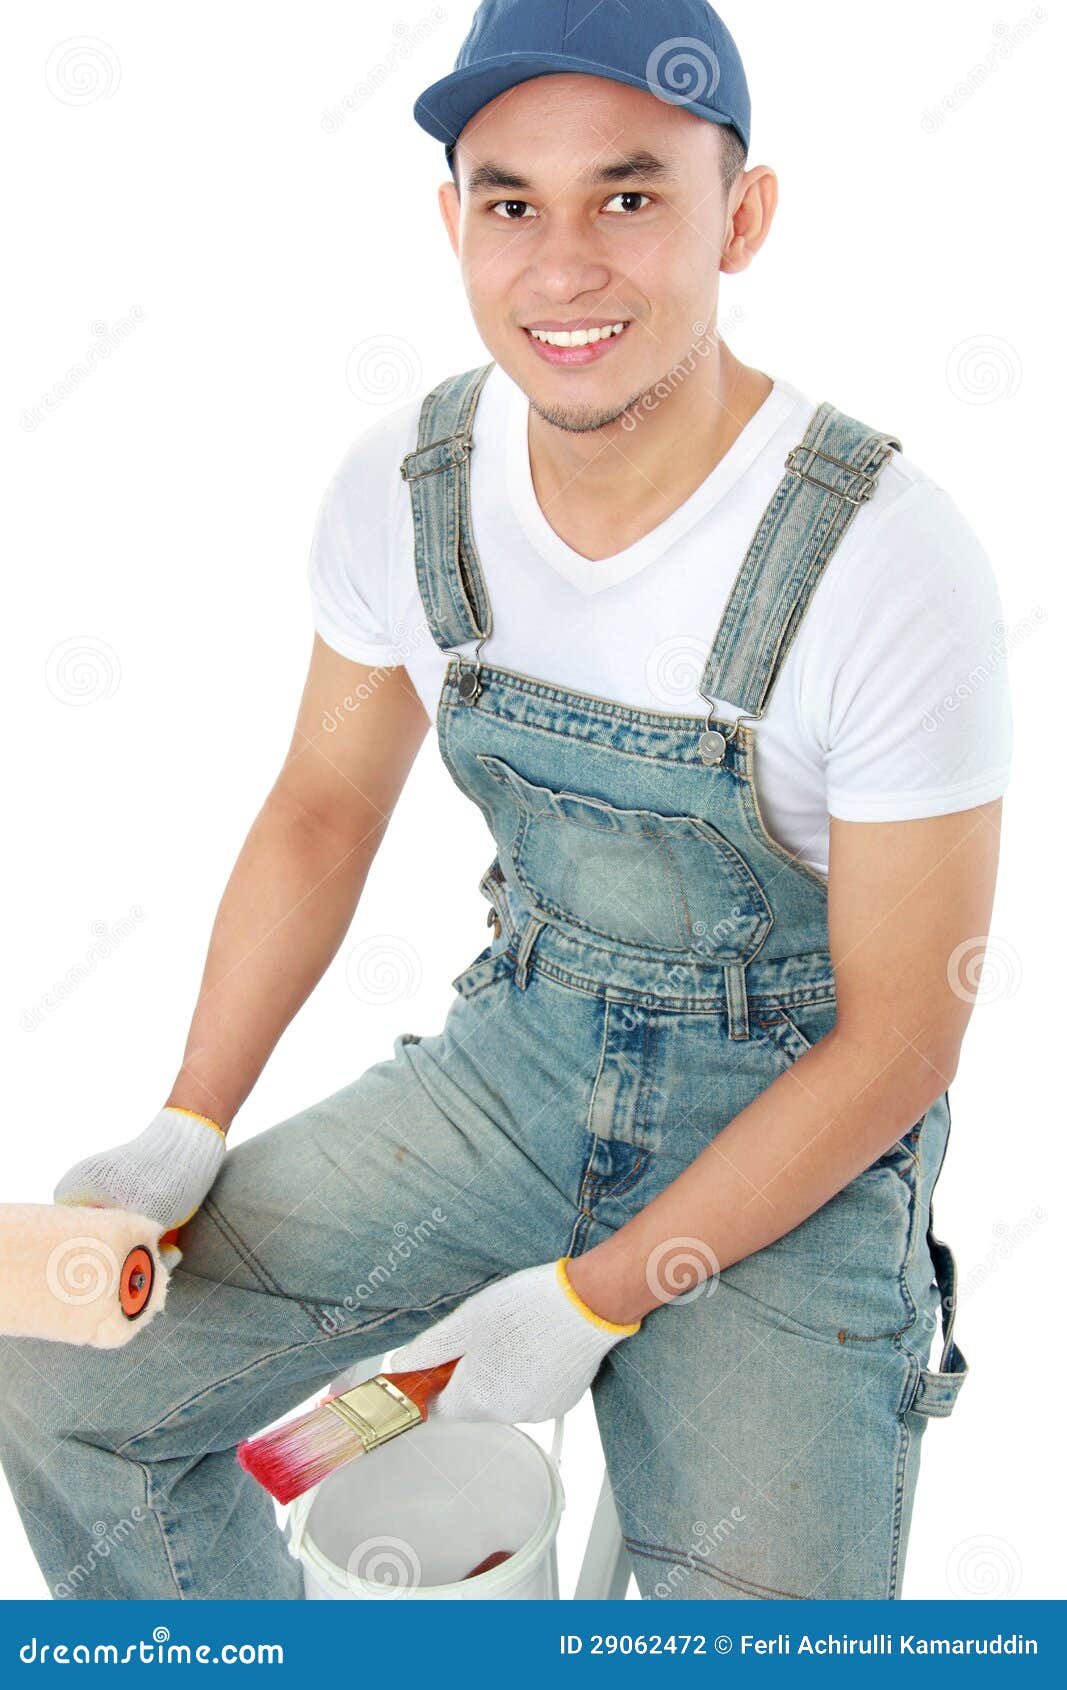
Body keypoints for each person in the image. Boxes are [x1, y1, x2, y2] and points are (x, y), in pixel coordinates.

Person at [1, 0, 1012, 1601]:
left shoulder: (886, 560)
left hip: (802, 1120)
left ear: (741, 216)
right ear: (452, 221)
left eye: (630, 195)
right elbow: (326, 805)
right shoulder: (404, 489)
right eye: (510, 203)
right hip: (517, 1058)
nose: (564, 268)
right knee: (62, 1392)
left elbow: (904, 1038)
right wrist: (192, 1117)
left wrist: (597, 1296)